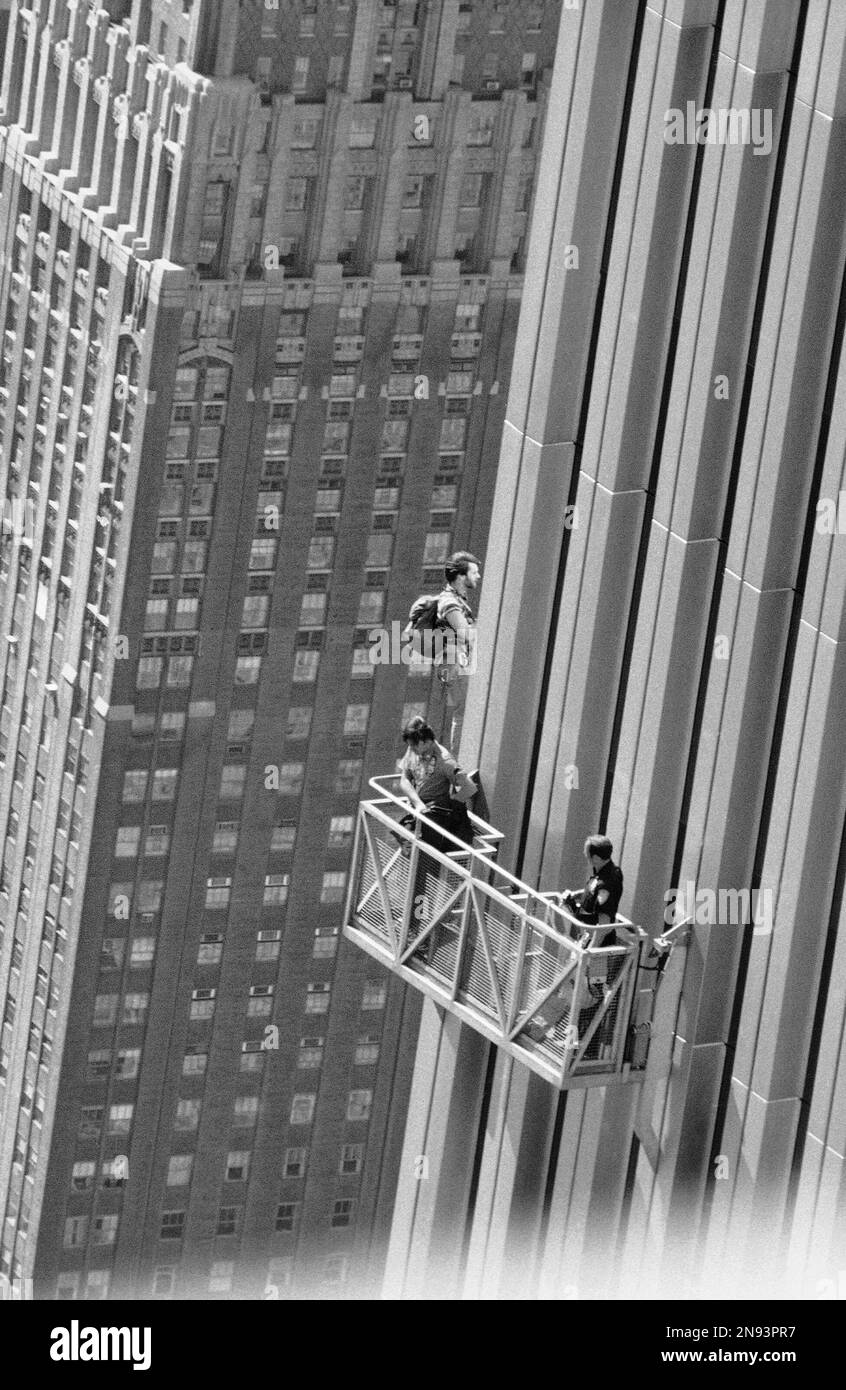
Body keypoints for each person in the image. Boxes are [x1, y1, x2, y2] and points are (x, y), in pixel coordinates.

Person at [522, 835, 624, 1045]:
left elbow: (603, 922)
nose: (587, 859)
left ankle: (568, 1039)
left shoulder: (608, 882)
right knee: (567, 988)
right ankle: (542, 1029)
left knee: (583, 995)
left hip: (596, 950)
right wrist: (576, 896)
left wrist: (588, 953)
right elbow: (591, 893)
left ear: (595, 857)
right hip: (587, 943)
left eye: (588, 856)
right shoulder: (604, 874)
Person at [396, 718, 476, 958]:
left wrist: (450, 806)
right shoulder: (414, 750)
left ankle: (416, 929)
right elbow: (404, 779)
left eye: (417, 747)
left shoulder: (444, 761)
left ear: (427, 742)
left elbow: (470, 789)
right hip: (421, 815)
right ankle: (414, 925)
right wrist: (418, 803)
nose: (414, 752)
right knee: (415, 877)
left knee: (423, 878)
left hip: (434, 823)